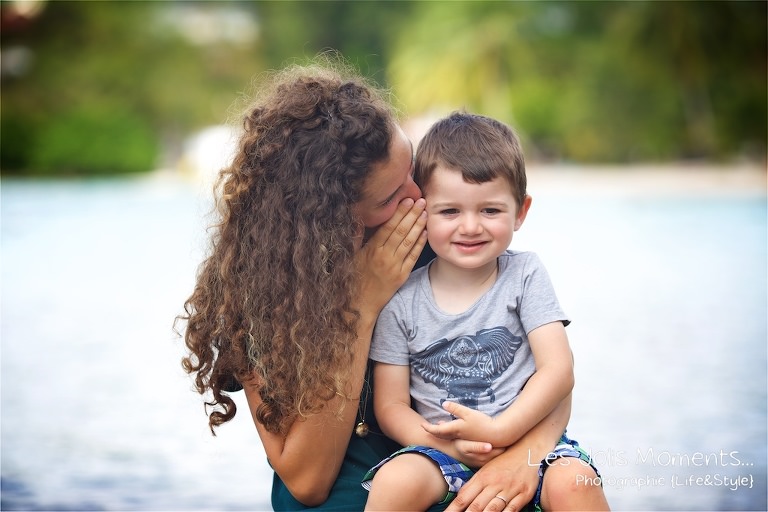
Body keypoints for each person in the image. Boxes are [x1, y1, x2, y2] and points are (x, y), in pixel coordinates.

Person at [177, 54, 584, 511]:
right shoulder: (261, 291)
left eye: (411, 171)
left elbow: (545, 371)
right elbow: (307, 482)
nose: (420, 198)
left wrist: (526, 457)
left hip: (475, 468)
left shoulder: (443, 239)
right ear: (331, 218)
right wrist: (365, 302)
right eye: (393, 195)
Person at [362, 112, 610, 511]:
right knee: (394, 481)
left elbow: (558, 369)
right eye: (450, 212)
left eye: (491, 211)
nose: (471, 226)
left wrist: (501, 431)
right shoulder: (401, 299)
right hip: (440, 450)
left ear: (521, 211)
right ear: (423, 210)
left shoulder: (524, 274)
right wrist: (446, 443)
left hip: (529, 441)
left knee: (576, 483)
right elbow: (390, 406)